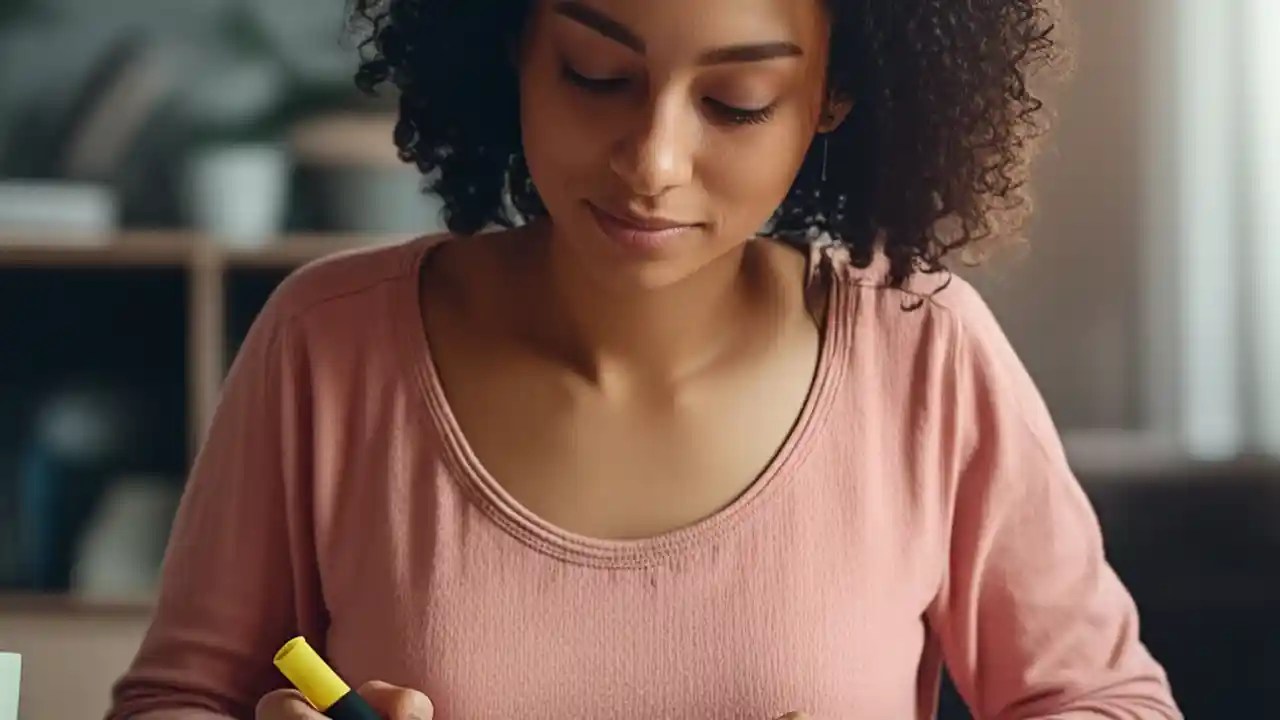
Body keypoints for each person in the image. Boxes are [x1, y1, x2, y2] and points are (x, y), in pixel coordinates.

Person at [107, 0, 1182, 718]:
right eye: (595, 75)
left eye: (734, 102)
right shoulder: (329, 345)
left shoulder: (920, 352)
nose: (651, 161)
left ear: (834, 95)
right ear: (511, 45)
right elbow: (174, 700)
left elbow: (1109, 701)